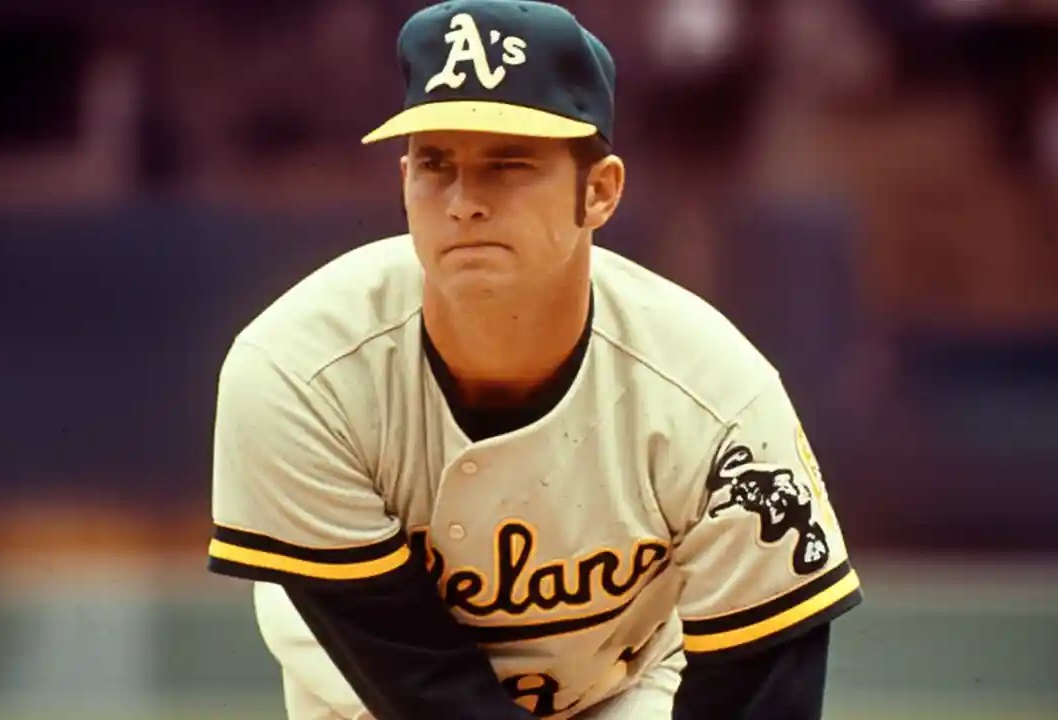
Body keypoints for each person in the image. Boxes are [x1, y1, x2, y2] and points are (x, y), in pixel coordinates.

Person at [206, 1, 862, 718]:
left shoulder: (717, 402)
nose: (463, 202)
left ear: (600, 192)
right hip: (365, 697)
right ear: (402, 182)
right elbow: (413, 682)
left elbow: (762, 692)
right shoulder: (298, 372)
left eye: (509, 163)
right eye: (435, 163)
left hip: (622, 681)